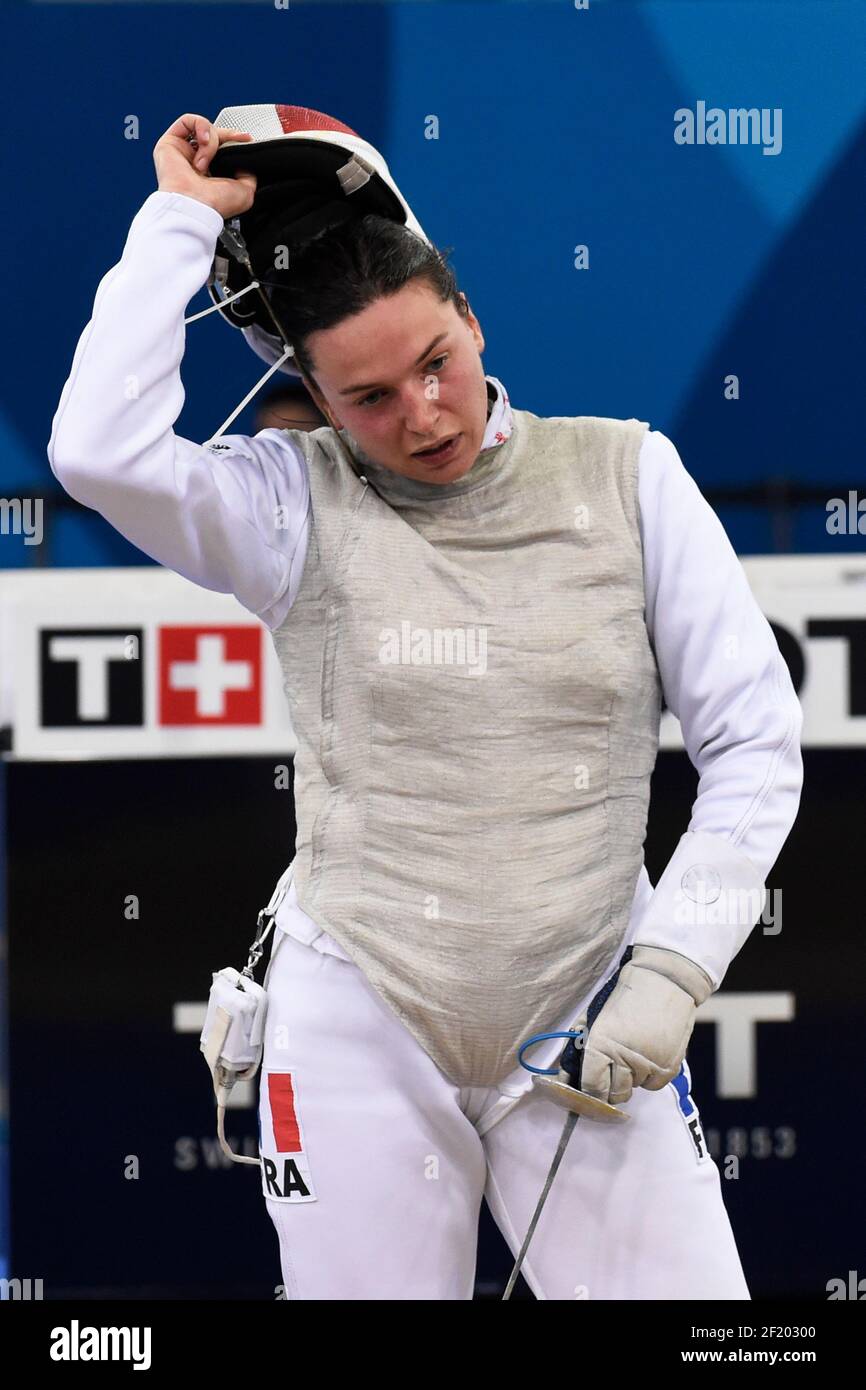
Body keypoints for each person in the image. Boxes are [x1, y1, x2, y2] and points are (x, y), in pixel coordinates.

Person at [47, 110, 804, 1300]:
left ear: (472, 319)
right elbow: (97, 453)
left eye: (435, 362)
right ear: (314, 400)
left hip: (589, 1011)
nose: (424, 415)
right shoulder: (288, 505)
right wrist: (182, 221)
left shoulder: (628, 476)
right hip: (359, 1009)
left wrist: (669, 970)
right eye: (370, 399)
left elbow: (753, 741)